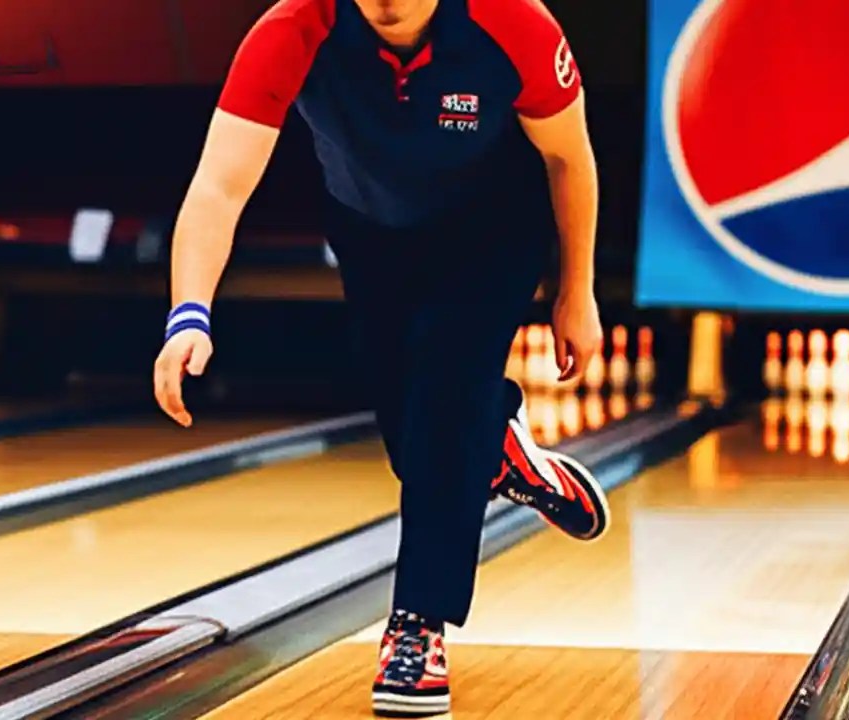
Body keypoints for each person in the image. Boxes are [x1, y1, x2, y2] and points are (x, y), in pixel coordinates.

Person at [152, 0, 607, 715]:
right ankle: (494, 447)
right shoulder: (290, 32)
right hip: (372, 237)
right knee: (418, 434)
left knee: (445, 407)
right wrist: (189, 314)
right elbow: (219, 186)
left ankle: (416, 628)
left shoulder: (513, 22)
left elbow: (566, 156)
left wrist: (576, 290)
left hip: (493, 231)